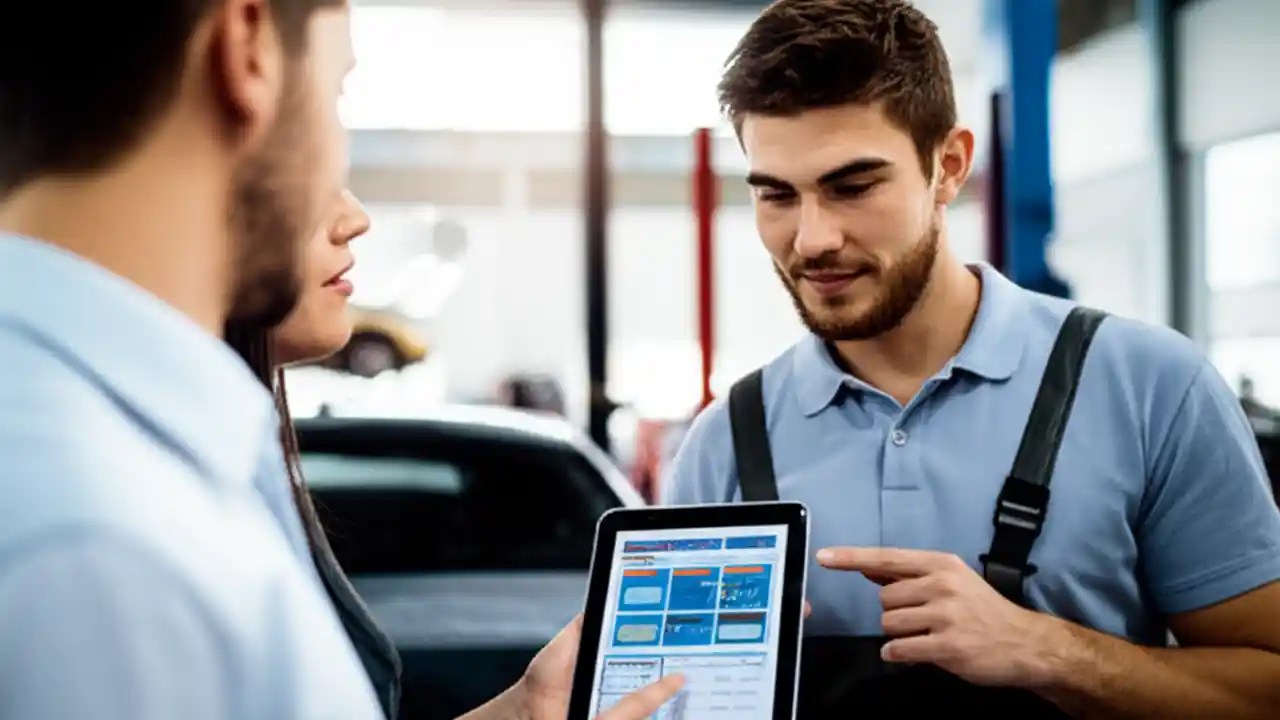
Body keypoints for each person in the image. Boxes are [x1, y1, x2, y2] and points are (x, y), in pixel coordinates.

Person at [0, 1, 679, 718]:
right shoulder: (104, 555)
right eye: (337, 93)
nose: (356, 216)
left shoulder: (106, 467)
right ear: (248, 43)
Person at [664, 0, 1280, 716]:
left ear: (949, 167)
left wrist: (1048, 651)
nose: (811, 239)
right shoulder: (724, 447)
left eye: (853, 187)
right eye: (776, 195)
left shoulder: (1148, 387)